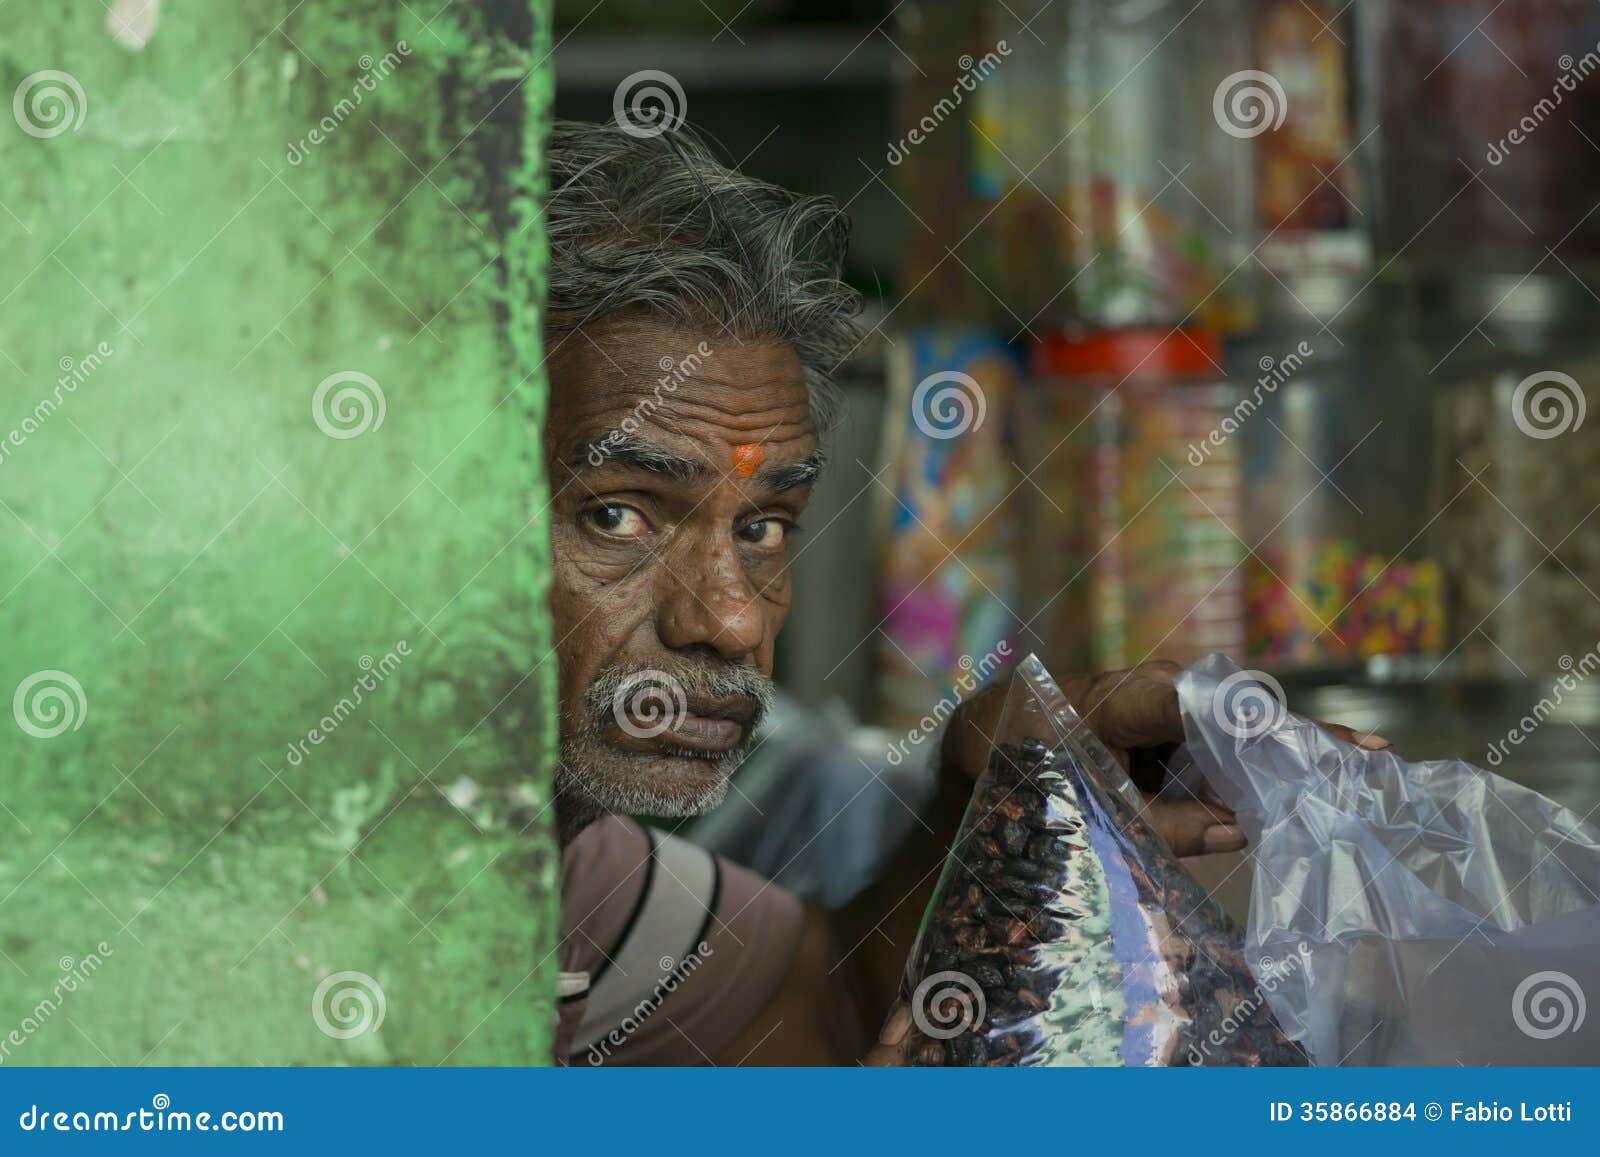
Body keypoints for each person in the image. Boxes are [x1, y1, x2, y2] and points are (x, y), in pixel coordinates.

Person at [541, 119, 1385, 1065]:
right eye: (618, 516)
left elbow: (814, 1009)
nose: (731, 619)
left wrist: (989, 819)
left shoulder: (555, 862)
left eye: (762, 526)